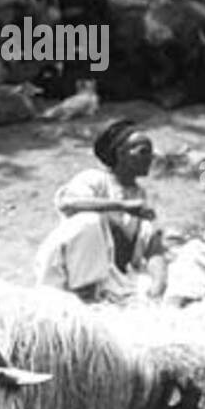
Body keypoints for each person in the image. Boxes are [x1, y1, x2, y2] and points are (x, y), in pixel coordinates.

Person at [35, 118, 167, 302]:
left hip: (116, 278)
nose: (150, 158)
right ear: (121, 154)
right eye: (144, 152)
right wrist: (121, 206)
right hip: (75, 274)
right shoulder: (94, 179)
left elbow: (154, 248)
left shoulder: (143, 196)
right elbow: (68, 204)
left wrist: (159, 283)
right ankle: (84, 295)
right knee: (89, 220)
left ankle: (105, 295)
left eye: (151, 152)